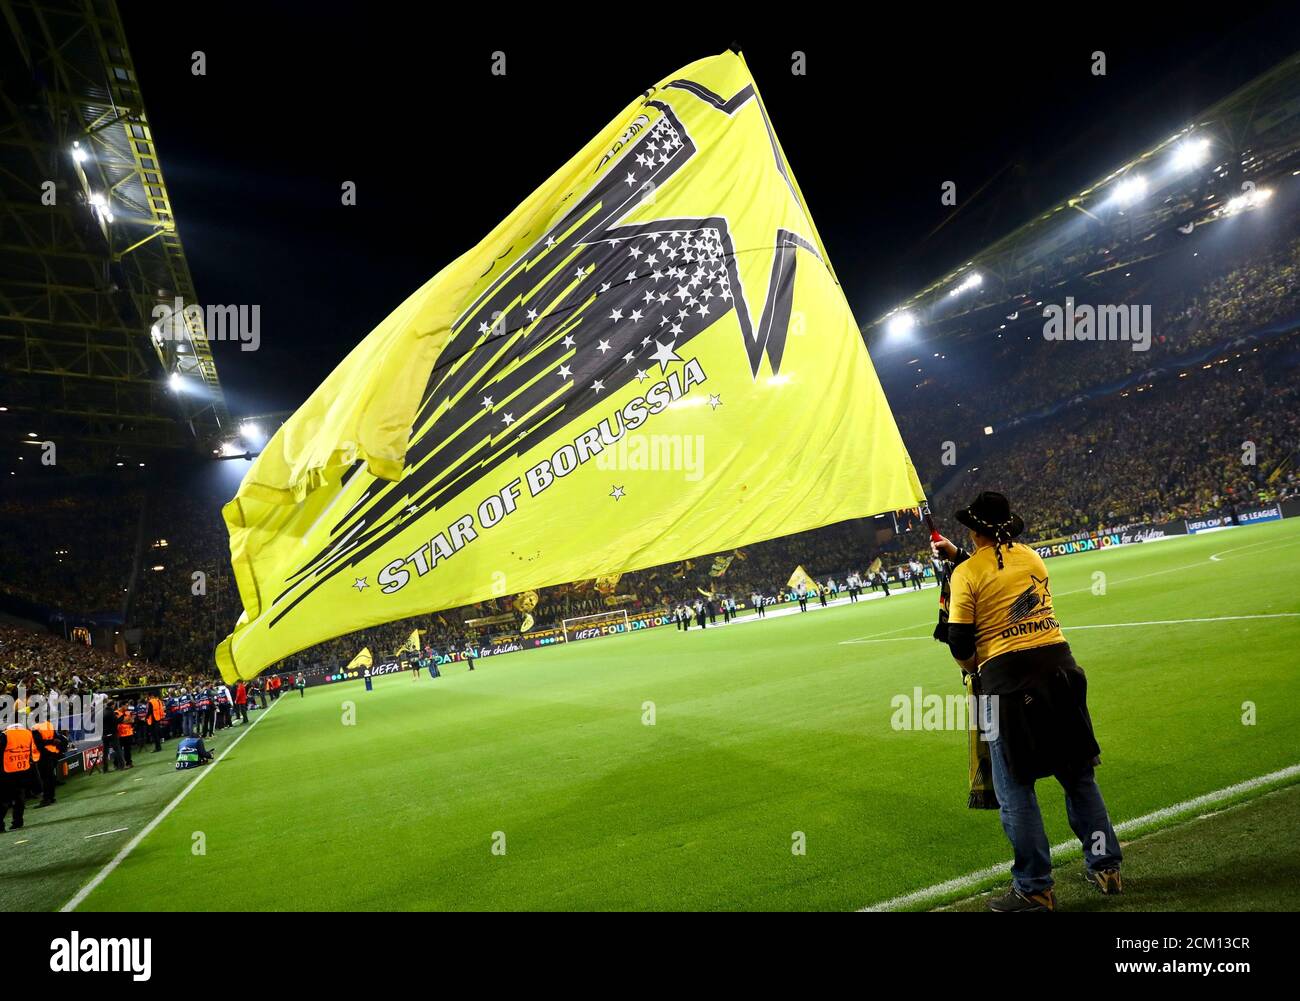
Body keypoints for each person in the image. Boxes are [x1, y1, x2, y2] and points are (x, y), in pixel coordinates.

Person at [935, 491, 1122, 912]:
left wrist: (971, 668)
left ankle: (1035, 887)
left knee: (1016, 790)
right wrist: (958, 554)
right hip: (1062, 670)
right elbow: (996, 569)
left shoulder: (967, 574)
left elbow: (961, 644)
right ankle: (1106, 866)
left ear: (974, 530)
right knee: (1078, 777)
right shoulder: (1031, 558)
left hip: (1010, 685)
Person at [1, 722, 38, 832]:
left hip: (6, 771)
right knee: (19, 798)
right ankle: (18, 822)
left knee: (4, 799)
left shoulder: (5, 735)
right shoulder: (27, 733)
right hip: (23, 770)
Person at [31, 719, 68, 806]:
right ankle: (51, 797)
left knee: (45, 779)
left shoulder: (35, 728)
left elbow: (39, 744)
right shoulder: (49, 724)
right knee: (50, 777)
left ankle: (46, 799)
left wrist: (51, 742)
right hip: (52, 753)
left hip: (42, 755)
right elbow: (56, 738)